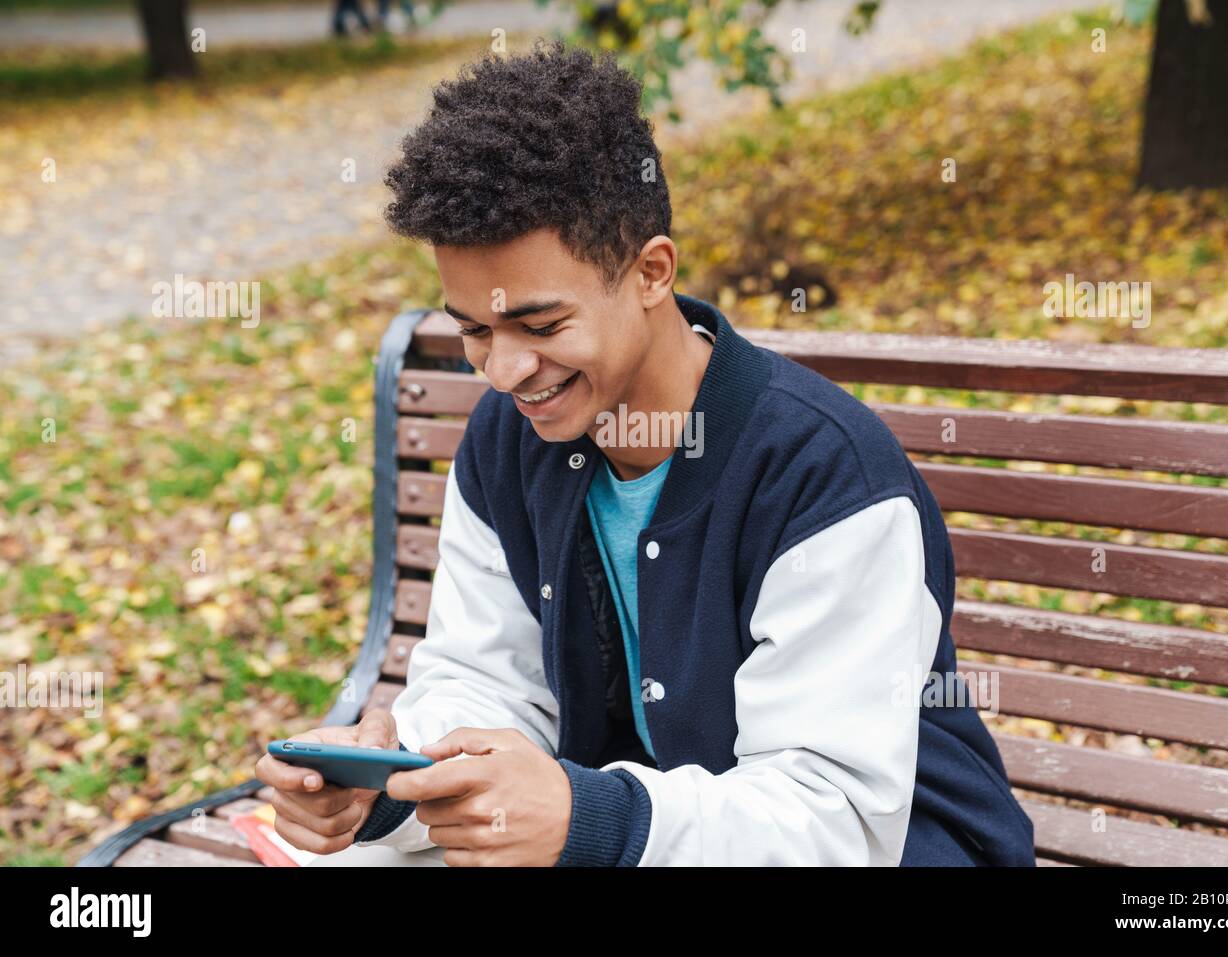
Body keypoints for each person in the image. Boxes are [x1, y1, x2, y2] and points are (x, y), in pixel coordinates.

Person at [255, 39, 1036, 867]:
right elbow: (487, 688)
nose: (507, 370)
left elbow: (832, 817)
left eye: (542, 325)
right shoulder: (510, 437)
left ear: (652, 272)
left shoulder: (822, 472)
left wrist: (592, 819)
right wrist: (393, 784)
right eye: (474, 330)